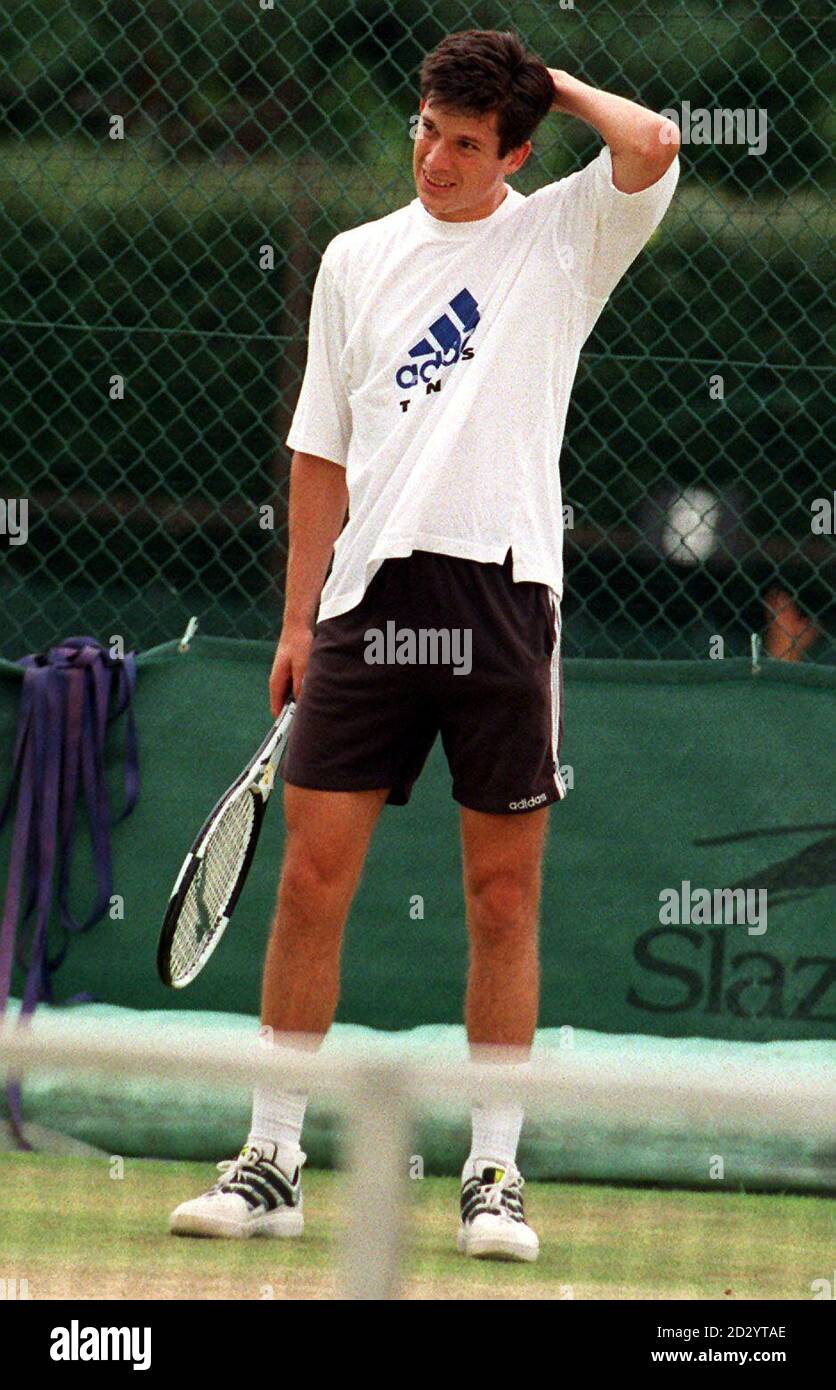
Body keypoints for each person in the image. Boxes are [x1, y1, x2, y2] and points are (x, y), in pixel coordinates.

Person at [170, 28, 680, 1262]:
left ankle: (493, 1172)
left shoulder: (563, 235)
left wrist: (543, 86)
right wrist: (297, 617)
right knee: (307, 882)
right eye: (424, 130)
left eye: (465, 142)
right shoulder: (354, 259)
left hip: (506, 599)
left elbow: (653, 140)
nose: (435, 160)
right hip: (360, 610)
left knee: (501, 897)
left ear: (510, 150)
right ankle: (272, 1156)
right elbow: (318, 454)